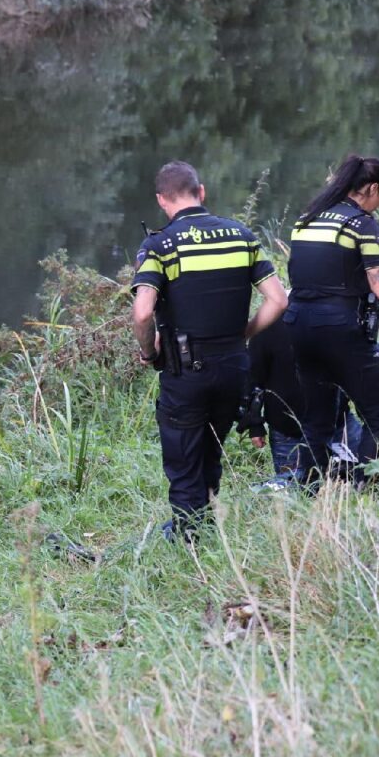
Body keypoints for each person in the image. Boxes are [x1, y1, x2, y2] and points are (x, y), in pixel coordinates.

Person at [131, 161, 288, 539]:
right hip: (234, 366)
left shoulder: (159, 246)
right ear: (201, 192)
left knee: (184, 458)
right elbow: (278, 300)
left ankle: (190, 542)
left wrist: (150, 354)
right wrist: (244, 334)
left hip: (185, 371)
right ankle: (204, 525)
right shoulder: (242, 236)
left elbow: (142, 312)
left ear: (161, 201)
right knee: (211, 450)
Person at [282, 155, 379, 483]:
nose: (378, 206)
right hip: (341, 328)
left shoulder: (307, 218)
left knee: (317, 417)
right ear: (372, 189)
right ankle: (368, 486)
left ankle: (310, 489)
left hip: (299, 325)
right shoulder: (361, 223)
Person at [237, 317, 364, 488]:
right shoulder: (269, 326)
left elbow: (357, 370)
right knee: (296, 492)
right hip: (288, 431)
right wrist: (254, 424)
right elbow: (252, 378)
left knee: (365, 479)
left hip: (339, 424)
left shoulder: (338, 316)